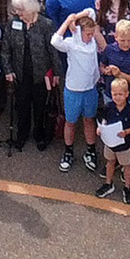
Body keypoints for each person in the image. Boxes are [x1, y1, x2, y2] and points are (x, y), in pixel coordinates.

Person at [0, 0, 55, 151]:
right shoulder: (13, 24)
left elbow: (53, 51)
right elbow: (6, 50)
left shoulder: (46, 25)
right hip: (20, 74)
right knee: (21, 106)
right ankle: (21, 135)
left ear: (30, 8)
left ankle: (39, 135)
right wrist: (8, 70)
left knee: (40, 106)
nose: (18, 13)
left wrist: (56, 74)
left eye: (21, 10)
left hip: (40, 75)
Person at [52, 10, 106, 174]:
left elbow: (90, 12)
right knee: (70, 122)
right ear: (79, 31)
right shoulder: (71, 43)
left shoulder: (93, 43)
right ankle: (68, 151)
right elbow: (55, 40)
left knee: (89, 120)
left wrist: (81, 21)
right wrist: (69, 20)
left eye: (92, 33)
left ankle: (90, 150)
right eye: (88, 34)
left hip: (90, 89)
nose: (91, 36)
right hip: (73, 91)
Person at [94, 77, 130, 204]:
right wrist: (100, 128)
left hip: (124, 145)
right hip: (110, 143)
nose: (117, 97)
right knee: (110, 162)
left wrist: (126, 132)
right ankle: (108, 184)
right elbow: (104, 119)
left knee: (126, 166)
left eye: (120, 94)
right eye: (114, 94)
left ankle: (127, 187)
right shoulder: (109, 106)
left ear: (127, 94)